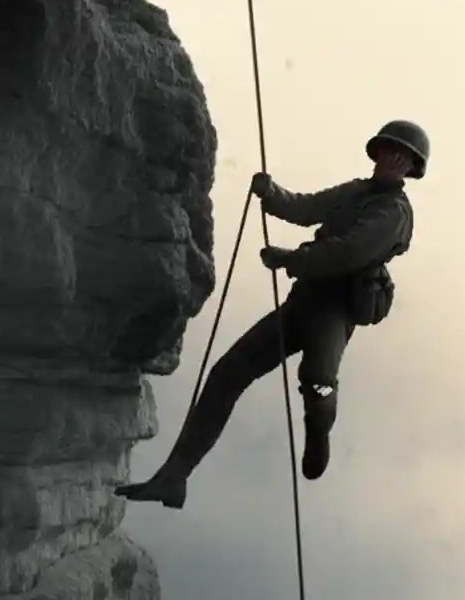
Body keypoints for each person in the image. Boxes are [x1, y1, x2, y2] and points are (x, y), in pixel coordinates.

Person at [114, 120, 428, 509]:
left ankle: (319, 429)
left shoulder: (395, 211)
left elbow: (350, 252)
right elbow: (306, 207)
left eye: (402, 156)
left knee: (318, 381)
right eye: (387, 150)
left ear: (410, 168)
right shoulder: (355, 191)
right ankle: (173, 477)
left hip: (334, 307)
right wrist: (272, 194)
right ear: (378, 152)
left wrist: (291, 259)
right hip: (305, 300)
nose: (391, 159)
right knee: (226, 374)